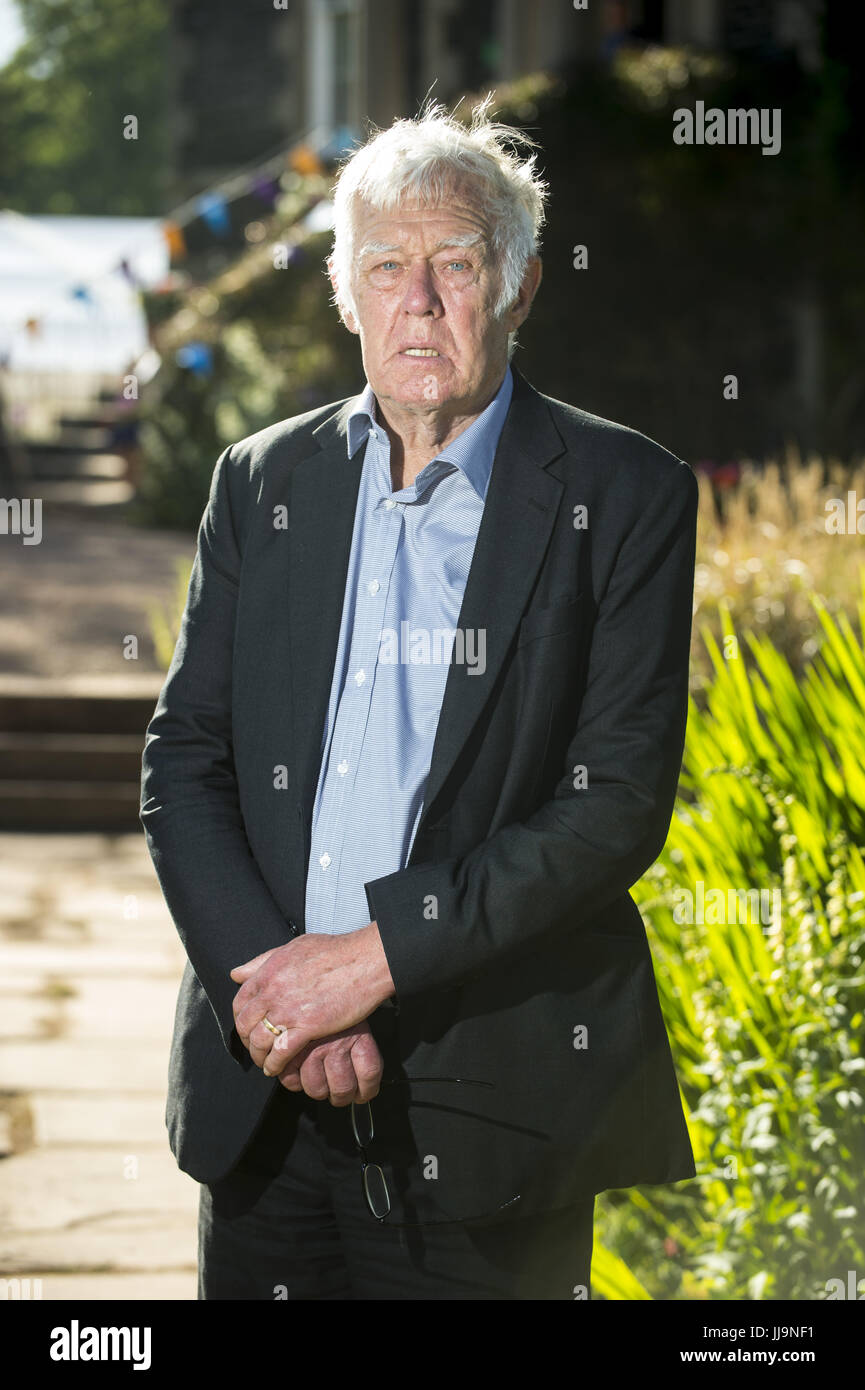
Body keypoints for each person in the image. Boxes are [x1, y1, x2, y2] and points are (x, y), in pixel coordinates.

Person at [140, 97, 698, 1301]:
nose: (421, 302)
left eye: (456, 265)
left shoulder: (628, 492)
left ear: (521, 284)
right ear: (347, 293)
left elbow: (613, 808)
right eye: (385, 267)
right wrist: (282, 995)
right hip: (264, 1101)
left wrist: (374, 961)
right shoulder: (263, 478)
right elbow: (185, 758)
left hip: (487, 1105)